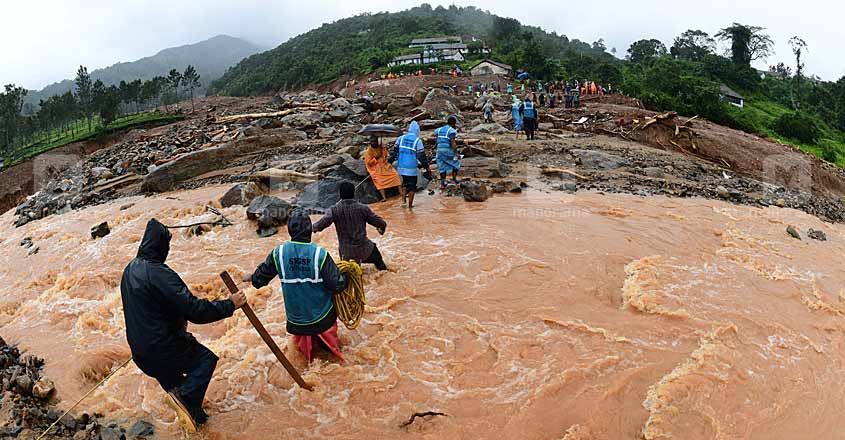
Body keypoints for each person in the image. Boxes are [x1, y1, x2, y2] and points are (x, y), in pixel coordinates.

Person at [121, 219, 247, 431]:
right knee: (206, 360)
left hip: (141, 353)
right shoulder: (159, 273)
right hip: (164, 349)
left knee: (188, 407)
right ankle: (187, 400)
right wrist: (230, 304)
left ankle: (196, 424)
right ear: (161, 245)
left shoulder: (130, 270)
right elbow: (194, 310)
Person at [245, 210, 349, 364]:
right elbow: (337, 286)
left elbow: (258, 281)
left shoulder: (278, 253)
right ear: (310, 230)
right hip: (323, 320)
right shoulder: (320, 255)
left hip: (296, 324)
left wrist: (251, 277)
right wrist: (346, 276)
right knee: (333, 361)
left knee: (305, 363)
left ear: (289, 230)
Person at [313, 181, 388, 270]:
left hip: (346, 253)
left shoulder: (334, 210)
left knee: (349, 273)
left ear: (340, 194)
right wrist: (381, 230)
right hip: (365, 250)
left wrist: (311, 228)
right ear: (354, 193)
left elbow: (320, 225)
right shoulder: (363, 208)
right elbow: (381, 223)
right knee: (380, 264)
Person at [387, 121, 431, 208]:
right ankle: (410, 206)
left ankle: (403, 201)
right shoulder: (417, 141)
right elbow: (421, 156)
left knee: (405, 183)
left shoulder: (401, 138)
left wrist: (390, 162)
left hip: (401, 166)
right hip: (411, 168)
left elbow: (394, 151)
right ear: (417, 131)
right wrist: (427, 167)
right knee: (412, 186)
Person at [363, 136, 400, 201]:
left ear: (377, 141)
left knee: (395, 175)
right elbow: (369, 163)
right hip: (375, 168)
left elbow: (387, 156)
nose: (374, 143)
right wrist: (376, 158)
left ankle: (401, 192)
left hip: (385, 166)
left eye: (375, 141)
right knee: (379, 179)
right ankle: (384, 197)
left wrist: (385, 157)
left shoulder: (382, 148)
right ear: (370, 142)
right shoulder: (368, 151)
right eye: (372, 142)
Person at [434, 116, 460, 188]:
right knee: (455, 163)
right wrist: (456, 153)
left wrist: (435, 147)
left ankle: (443, 183)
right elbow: (453, 143)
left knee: (441, 166)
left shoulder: (439, 130)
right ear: (453, 123)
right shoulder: (451, 131)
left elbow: (437, 139)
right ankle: (454, 179)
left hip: (439, 150)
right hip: (448, 150)